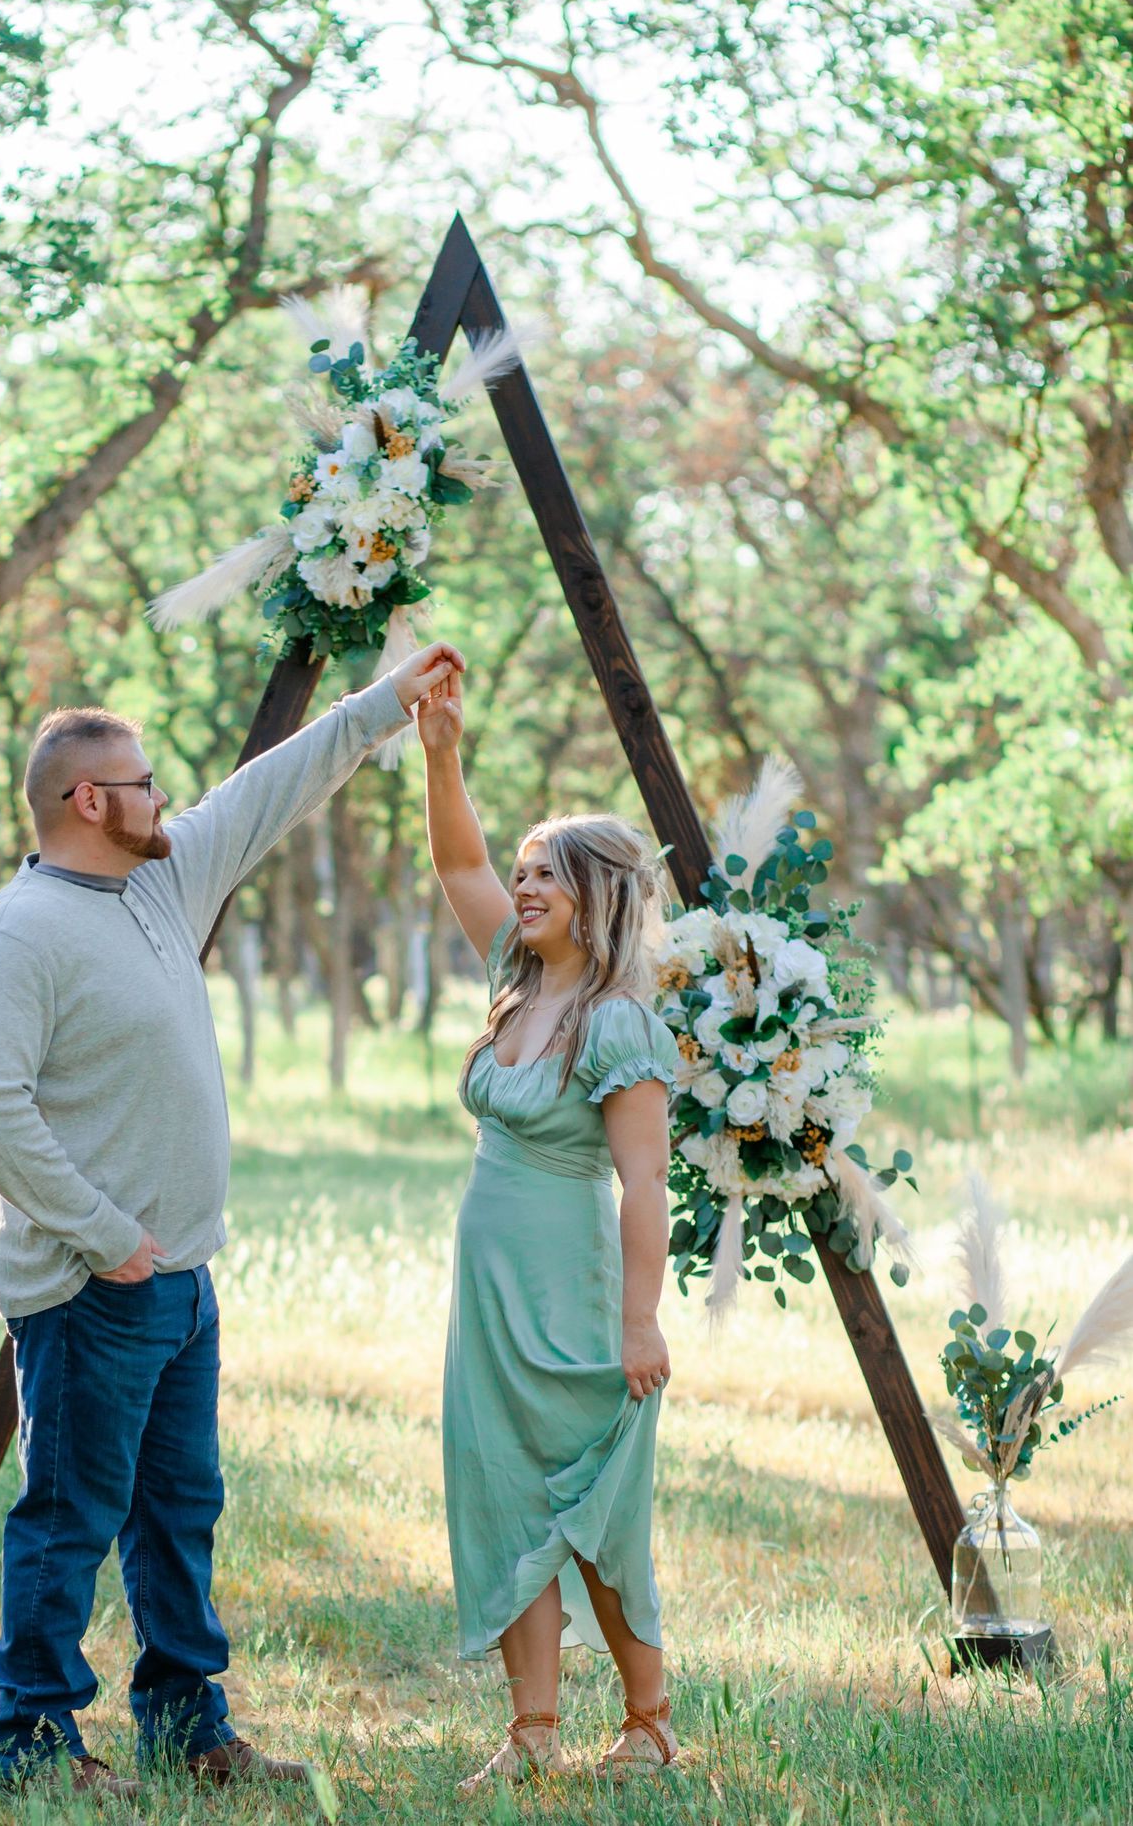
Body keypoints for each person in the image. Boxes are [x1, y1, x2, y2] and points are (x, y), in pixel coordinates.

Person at [0, 641, 462, 1802]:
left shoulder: (163, 879)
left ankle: (186, 1728)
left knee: (180, 1514)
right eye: (140, 782)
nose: (164, 798)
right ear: (87, 801)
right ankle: (33, 1743)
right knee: (68, 1519)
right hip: (92, 1288)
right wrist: (101, 1232)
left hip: (181, 1284)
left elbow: (277, 781)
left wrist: (390, 701)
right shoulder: (15, 937)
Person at [418, 664, 679, 1786]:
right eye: (525, 875)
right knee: (505, 1491)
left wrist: (640, 1323)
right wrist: (440, 755)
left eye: (547, 878)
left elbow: (646, 1187)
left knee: (594, 1505)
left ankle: (650, 1722)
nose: (522, 890)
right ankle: (530, 1736)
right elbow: (457, 860)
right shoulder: (514, 981)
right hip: (489, 1288)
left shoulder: (618, 1022)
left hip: (574, 1289)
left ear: (597, 894)